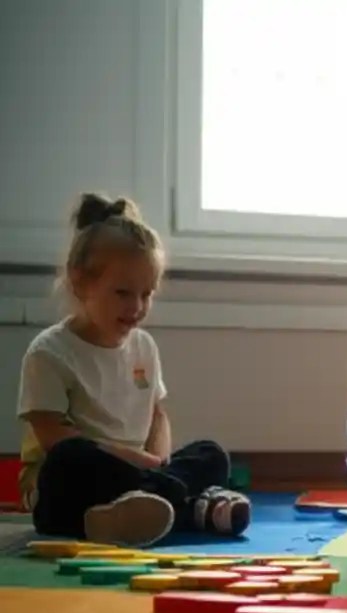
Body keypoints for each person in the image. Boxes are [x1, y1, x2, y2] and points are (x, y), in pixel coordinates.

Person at [18, 193, 248, 547]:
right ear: (81, 283)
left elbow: (157, 414)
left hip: (140, 472)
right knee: (69, 460)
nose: (137, 307)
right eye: (123, 293)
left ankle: (144, 509)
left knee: (211, 454)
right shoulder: (49, 352)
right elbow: (52, 436)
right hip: (82, 478)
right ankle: (186, 507)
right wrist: (132, 460)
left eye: (147, 294)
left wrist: (156, 460)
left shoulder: (144, 347)